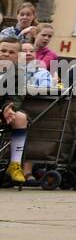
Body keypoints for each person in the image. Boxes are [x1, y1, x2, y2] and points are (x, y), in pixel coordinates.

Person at [0, 36, 32, 183]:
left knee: (20, 117)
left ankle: (14, 164)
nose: (6, 54)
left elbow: (17, 97)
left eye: (11, 52)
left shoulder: (19, 73)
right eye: (3, 50)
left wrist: (8, 108)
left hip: (4, 111)